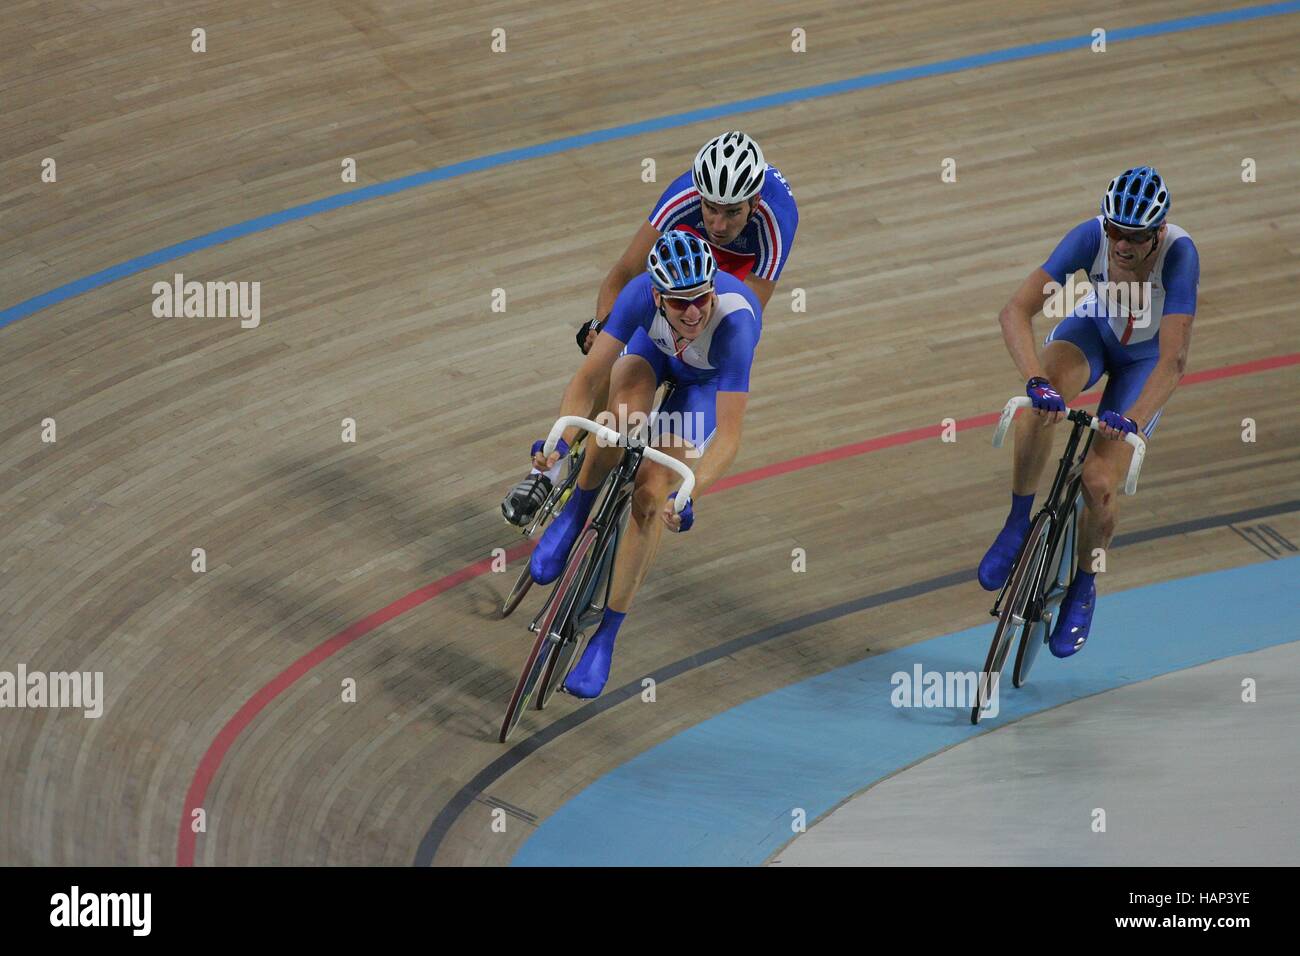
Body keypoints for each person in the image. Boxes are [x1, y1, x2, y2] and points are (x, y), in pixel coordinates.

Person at [501, 131, 796, 525]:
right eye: (711, 209)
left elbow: (745, 314)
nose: (719, 224)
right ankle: (550, 465)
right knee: (608, 354)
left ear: (754, 204)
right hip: (679, 275)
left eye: (732, 213)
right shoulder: (683, 196)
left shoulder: (777, 222)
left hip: (723, 288)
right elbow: (625, 271)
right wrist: (604, 324)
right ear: (699, 196)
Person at [525, 230, 763, 698]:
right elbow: (588, 377)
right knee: (619, 421)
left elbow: (730, 436)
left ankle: (605, 637)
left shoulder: (736, 324)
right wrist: (562, 437)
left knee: (652, 492)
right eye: (679, 303)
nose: (694, 312)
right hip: (652, 354)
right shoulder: (638, 296)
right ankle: (574, 516)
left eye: (701, 298)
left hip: (703, 386)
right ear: (657, 296)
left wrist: (688, 494)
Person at [978, 166, 1199, 657]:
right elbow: (1014, 311)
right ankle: (1017, 524)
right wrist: (1035, 378)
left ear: (1157, 233)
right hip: (1093, 334)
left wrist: (1132, 421)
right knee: (1038, 408)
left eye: (1135, 236)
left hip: (1144, 362)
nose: (1121, 244)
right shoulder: (1089, 236)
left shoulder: (1180, 255)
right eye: (1115, 230)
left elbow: (1173, 361)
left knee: (1099, 481)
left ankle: (1083, 584)